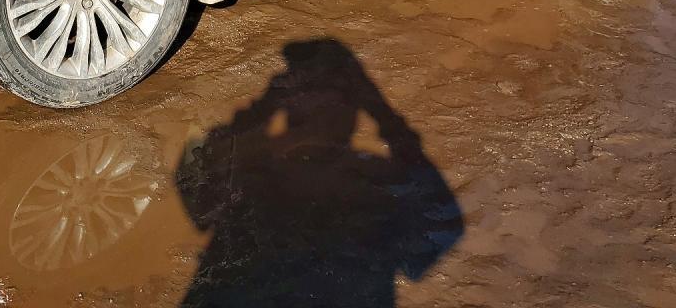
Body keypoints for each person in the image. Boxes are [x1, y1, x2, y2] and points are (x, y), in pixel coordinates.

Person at [176, 38, 463, 307]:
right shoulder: (375, 176)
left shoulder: (256, 176)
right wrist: (391, 123)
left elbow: (198, 198)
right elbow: (438, 231)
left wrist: (262, 109)